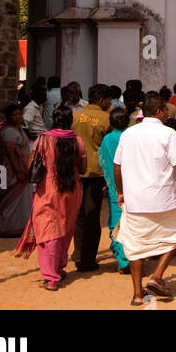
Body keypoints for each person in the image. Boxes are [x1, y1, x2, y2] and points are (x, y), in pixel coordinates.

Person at [113, 92, 176, 304]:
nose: (168, 113)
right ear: (158, 111)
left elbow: (117, 166)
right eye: (165, 110)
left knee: (134, 246)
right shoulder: (168, 134)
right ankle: (157, 276)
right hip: (163, 200)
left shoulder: (128, 134)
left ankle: (138, 294)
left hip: (135, 201)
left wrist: (121, 191)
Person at [14, 105, 87, 290]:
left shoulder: (42, 140)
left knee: (48, 231)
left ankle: (51, 277)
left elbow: (31, 166)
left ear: (53, 120)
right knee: (65, 229)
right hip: (72, 190)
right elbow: (83, 168)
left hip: (48, 189)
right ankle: (59, 268)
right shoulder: (77, 141)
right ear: (70, 120)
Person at [71, 83, 111, 271]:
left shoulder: (75, 116)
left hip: (75, 169)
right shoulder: (107, 118)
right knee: (92, 215)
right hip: (96, 171)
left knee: (78, 214)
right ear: (102, 100)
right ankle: (88, 258)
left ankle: (78, 252)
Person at [98, 107, 130, 274]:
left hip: (115, 188)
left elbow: (102, 160)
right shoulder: (132, 136)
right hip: (135, 186)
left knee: (116, 223)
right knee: (134, 222)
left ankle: (123, 260)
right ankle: (134, 256)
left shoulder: (107, 139)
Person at [0, 103, 33, 237]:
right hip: (9, 169)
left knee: (22, 200)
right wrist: (19, 171)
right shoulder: (9, 131)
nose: (18, 117)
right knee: (9, 198)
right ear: (9, 117)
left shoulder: (18, 129)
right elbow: (10, 153)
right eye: (14, 115)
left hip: (19, 166)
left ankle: (19, 226)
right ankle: (7, 227)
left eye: (19, 114)